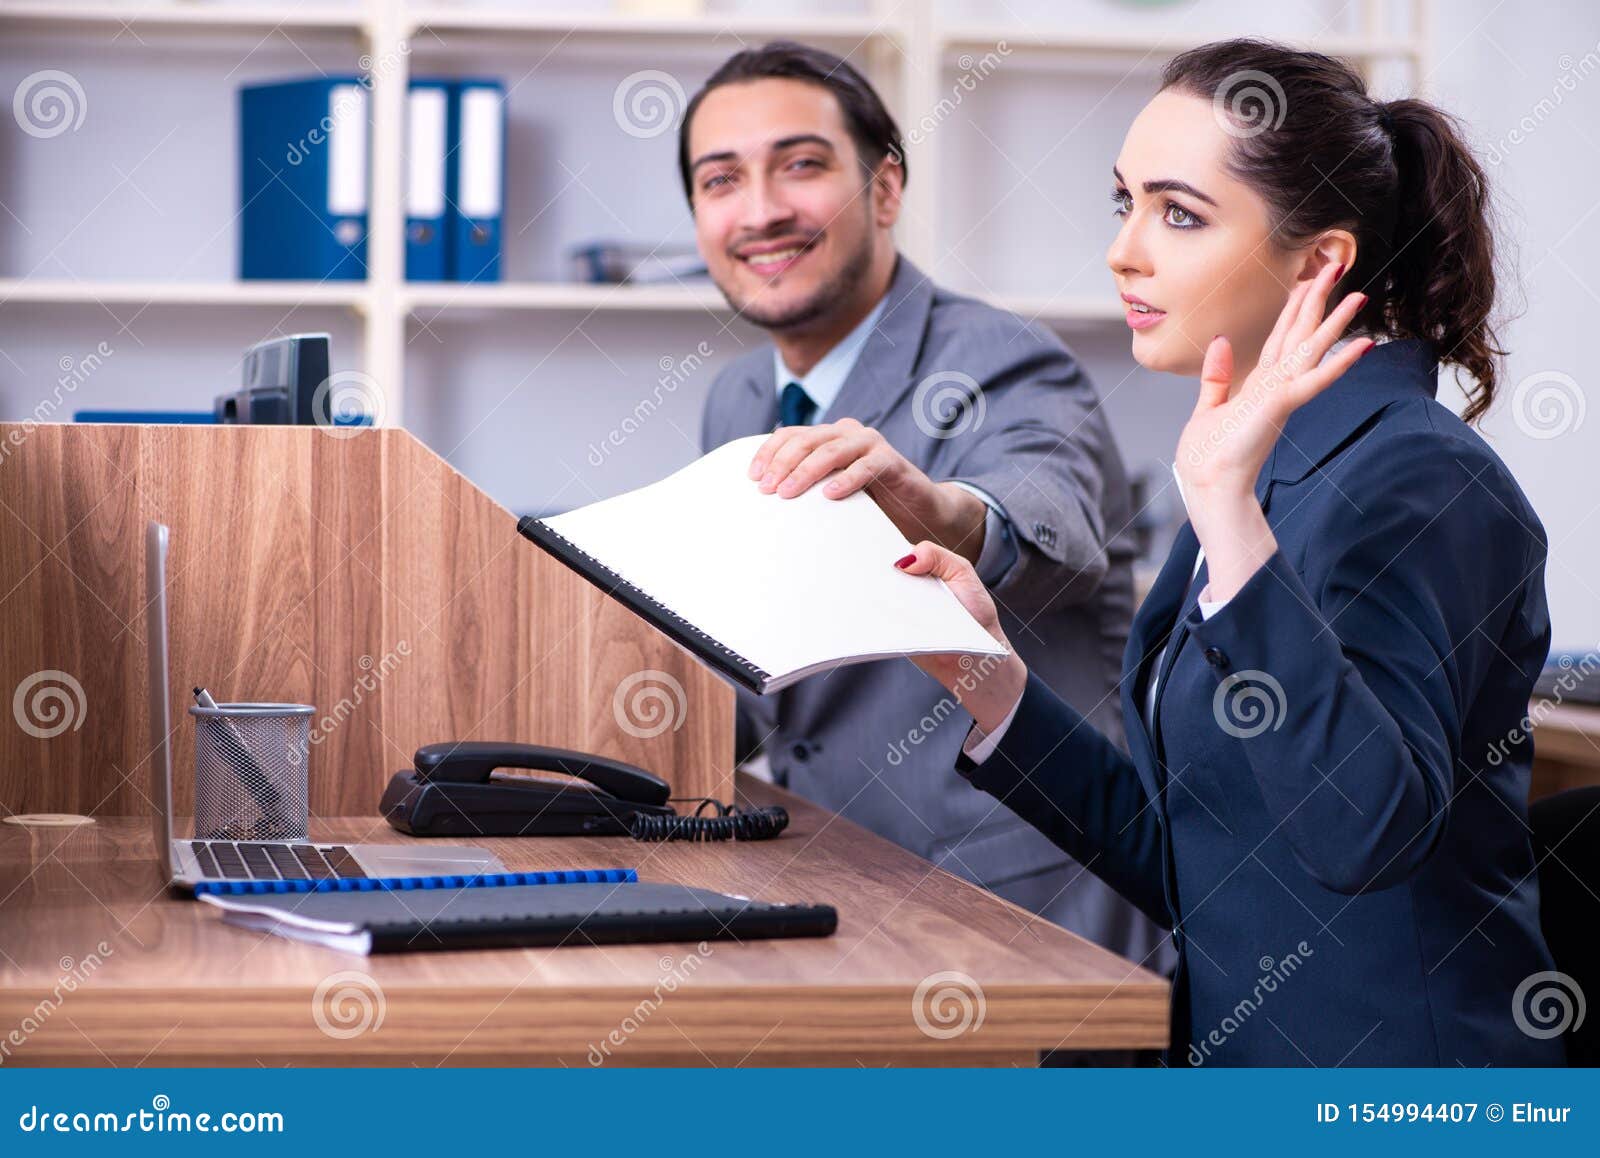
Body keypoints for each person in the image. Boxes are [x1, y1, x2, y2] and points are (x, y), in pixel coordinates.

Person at [896, 39, 1566, 1066]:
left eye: (1178, 213)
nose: (1124, 250)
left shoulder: (1420, 478)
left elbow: (1365, 834)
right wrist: (993, 688)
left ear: (1317, 262)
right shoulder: (1258, 467)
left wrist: (1224, 512)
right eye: (1121, 202)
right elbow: (1196, 861)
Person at [685, 41, 1174, 973]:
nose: (760, 211)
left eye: (801, 165)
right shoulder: (740, 399)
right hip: (839, 885)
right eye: (721, 180)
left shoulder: (1004, 358)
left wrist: (938, 510)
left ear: (884, 190)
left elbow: (1053, 522)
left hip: (1021, 913)